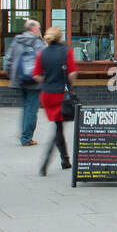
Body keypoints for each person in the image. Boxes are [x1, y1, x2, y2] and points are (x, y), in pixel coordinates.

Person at [33, 25, 76, 174]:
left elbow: (36, 76)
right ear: (60, 37)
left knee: (58, 126)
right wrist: (69, 83)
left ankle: (65, 159)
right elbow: (72, 74)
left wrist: (48, 79)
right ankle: (45, 163)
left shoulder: (42, 54)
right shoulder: (67, 51)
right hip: (61, 95)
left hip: (47, 95)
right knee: (57, 128)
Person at [3, 19, 46, 146]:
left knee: (26, 108)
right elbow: (44, 60)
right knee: (31, 109)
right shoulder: (38, 43)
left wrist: (13, 76)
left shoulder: (17, 41)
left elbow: (8, 60)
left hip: (21, 80)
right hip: (35, 81)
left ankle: (24, 133)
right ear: (33, 29)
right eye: (38, 29)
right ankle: (26, 138)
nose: (39, 31)